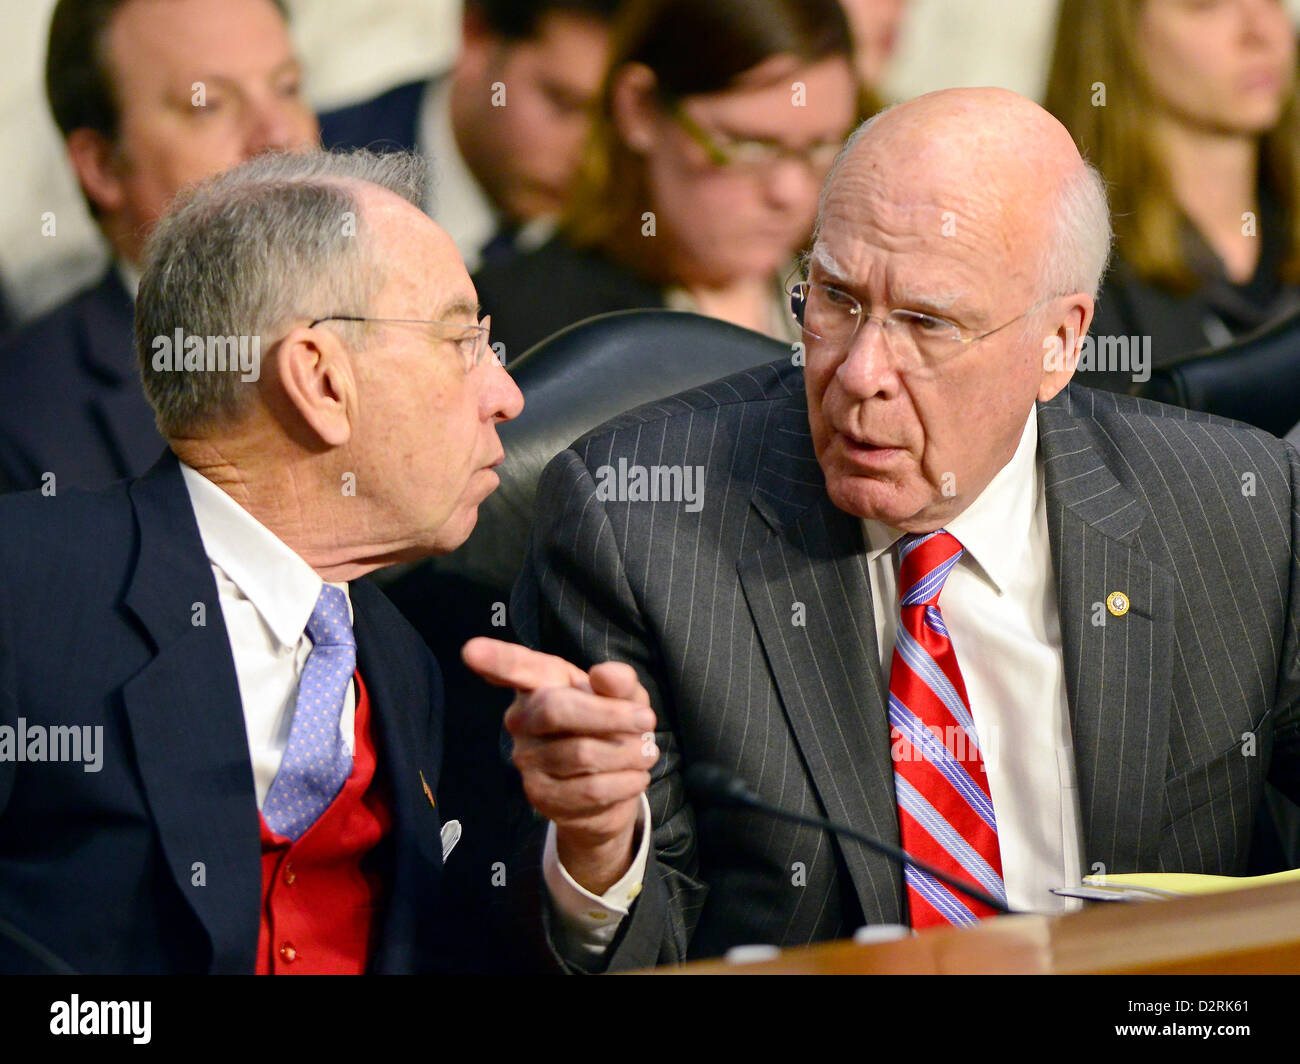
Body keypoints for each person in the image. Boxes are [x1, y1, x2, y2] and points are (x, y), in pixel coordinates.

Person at [489, 88, 1300, 970]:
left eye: (926, 323)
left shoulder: (1237, 511)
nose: (860, 372)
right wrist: (602, 852)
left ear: (1059, 345)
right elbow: (652, 948)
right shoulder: (639, 527)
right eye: (835, 300)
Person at [0, 148, 531, 974]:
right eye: (462, 339)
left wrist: (588, 856)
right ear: (320, 380)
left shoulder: (402, 659)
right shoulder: (27, 587)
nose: (506, 393)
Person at [0, 0, 319, 495]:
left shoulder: (414, 318)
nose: (279, 135)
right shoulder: (22, 418)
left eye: (288, 87)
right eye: (208, 104)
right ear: (102, 165)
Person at [471, 0, 863, 362]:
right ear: (638, 108)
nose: (789, 192)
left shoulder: (863, 298)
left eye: (821, 147)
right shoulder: (528, 324)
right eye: (747, 145)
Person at [1045, 0, 1300, 392]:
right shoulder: (1062, 266)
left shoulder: (1283, 232)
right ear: (1118, 37)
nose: (1260, 32)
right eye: (1207, 5)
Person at [320, 0, 622, 273]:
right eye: (562, 102)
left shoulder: (619, 237)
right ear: (476, 39)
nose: (588, 154)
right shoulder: (319, 173)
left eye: (611, 120)